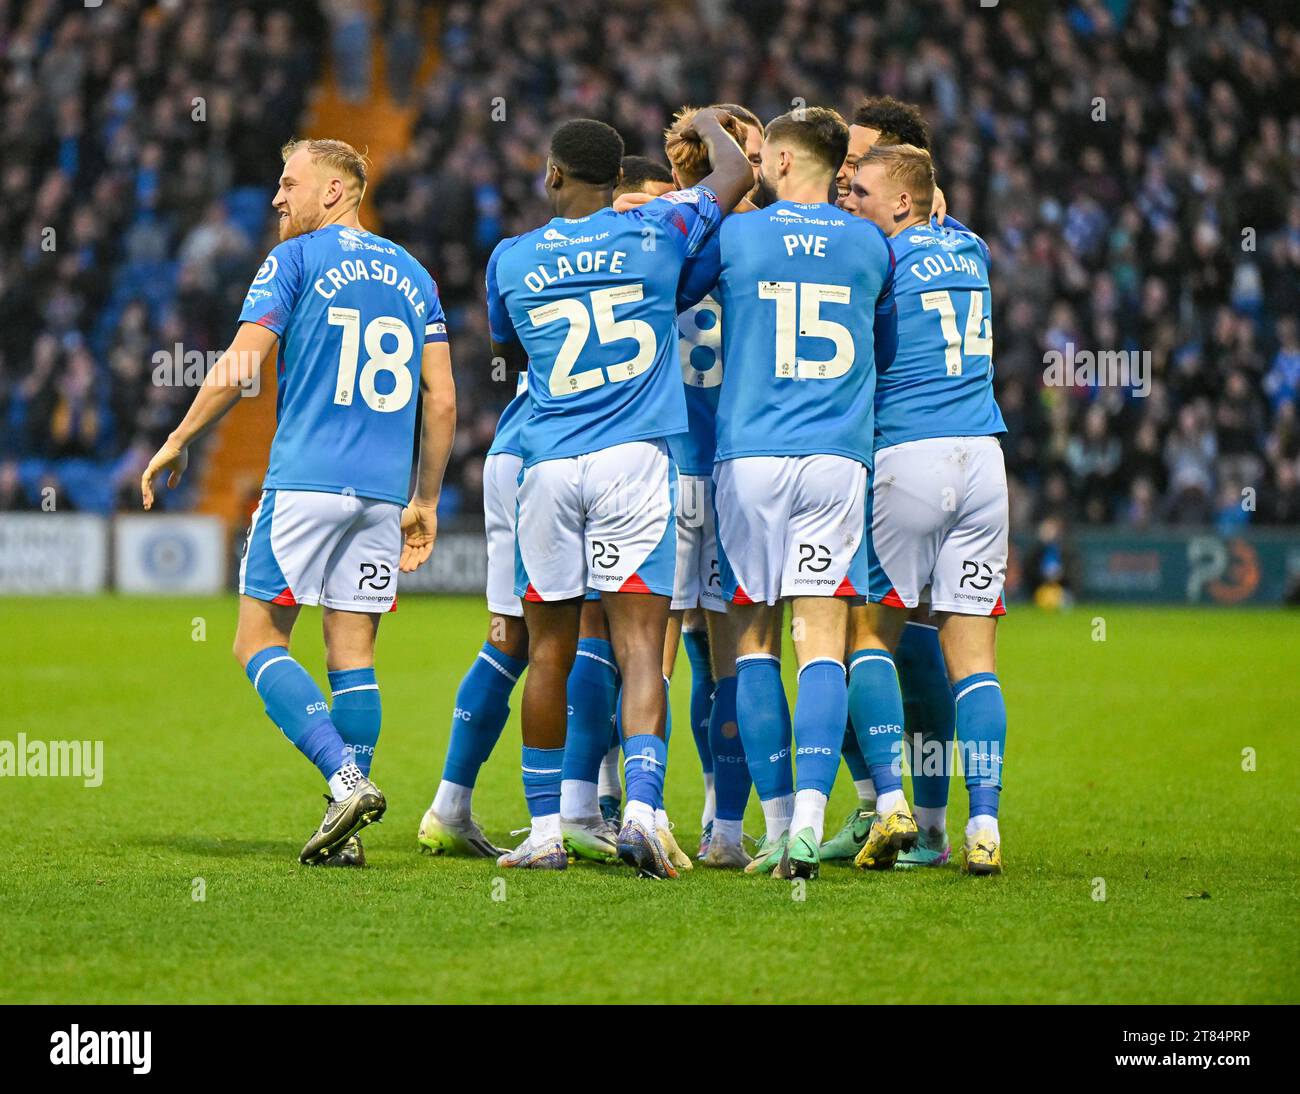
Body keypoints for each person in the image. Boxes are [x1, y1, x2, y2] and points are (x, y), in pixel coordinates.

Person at [142, 138, 455, 866]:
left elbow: (243, 361)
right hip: (380, 497)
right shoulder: (416, 276)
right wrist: (426, 498)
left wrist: (181, 435)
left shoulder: (296, 261)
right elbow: (441, 401)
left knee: (256, 640)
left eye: (290, 185)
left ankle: (345, 781)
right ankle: (345, 832)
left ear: (336, 192)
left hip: (307, 483)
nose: (278, 199)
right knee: (353, 657)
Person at [486, 114, 752, 876]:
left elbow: (505, 336)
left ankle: (543, 833)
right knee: (642, 647)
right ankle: (642, 808)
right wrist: (704, 123)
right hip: (635, 460)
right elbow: (735, 176)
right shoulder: (661, 229)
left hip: (548, 465)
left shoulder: (512, 257)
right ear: (614, 180)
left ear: (553, 176)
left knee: (549, 650)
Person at [708, 107, 899, 880]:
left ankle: (776, 822)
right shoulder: (869, 244)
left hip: (749, 456)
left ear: (780, 162)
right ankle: (811, 828)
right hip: (835, 459)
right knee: (824, 639)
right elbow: (881, 349)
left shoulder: (737, 236)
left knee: (753, 641)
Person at [844, 143, 1009, 874]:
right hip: (984, 461)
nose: (852, 202)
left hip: (910, 455)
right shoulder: (971, 250)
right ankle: (984, 825)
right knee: (972, 659)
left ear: (904, 202)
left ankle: (891, 804)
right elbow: (946, 214)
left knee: (869, 634)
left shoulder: (879, 263)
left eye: (864, 191)